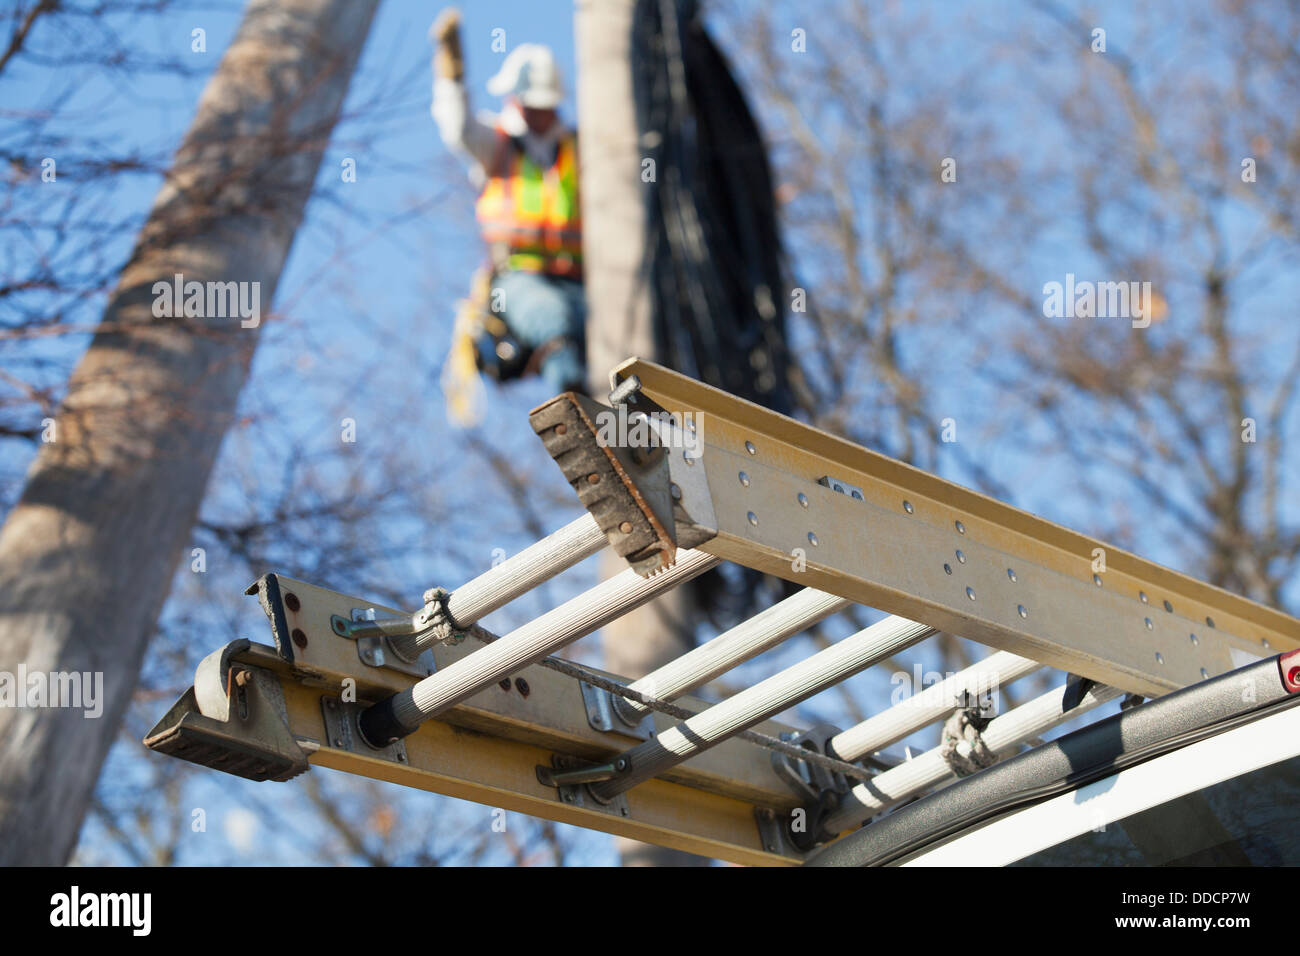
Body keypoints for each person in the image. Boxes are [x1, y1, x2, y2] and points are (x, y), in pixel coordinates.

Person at [430, 9, 586, 398]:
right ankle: (578, 407)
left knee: (617, 339)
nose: (539, 113)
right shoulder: (496, 143)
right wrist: (453, 77)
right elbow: (458, 127)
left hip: (582, 279)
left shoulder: (578, 150)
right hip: (519, 276)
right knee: (552, 319)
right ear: (515, 99)